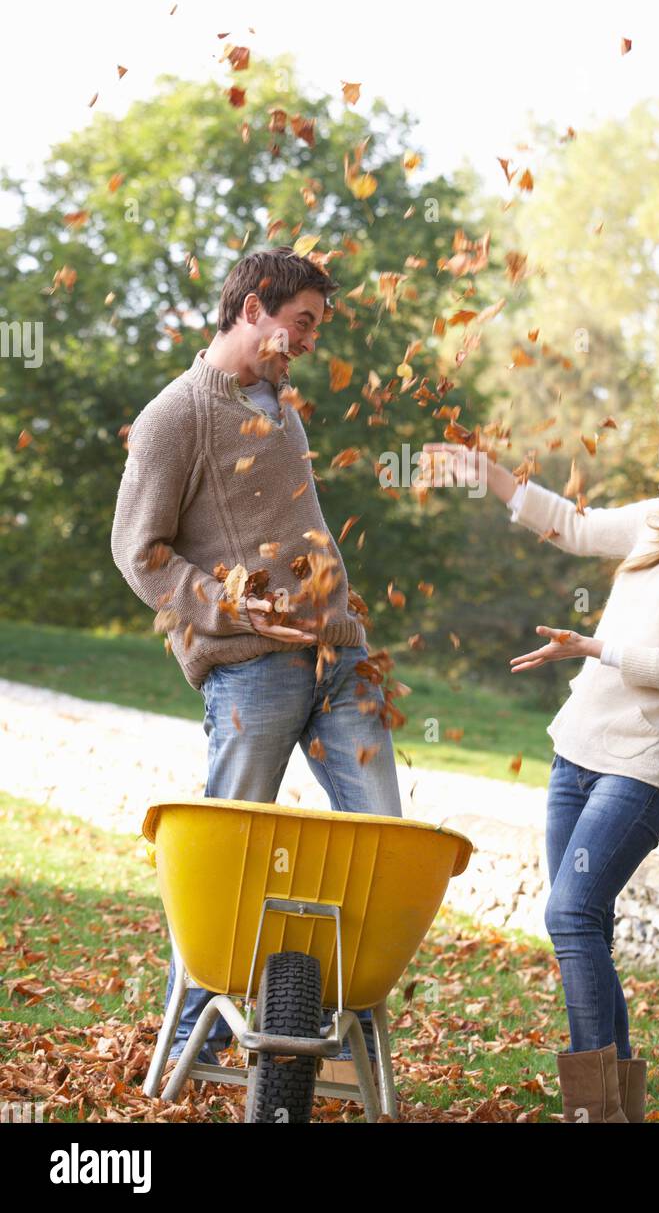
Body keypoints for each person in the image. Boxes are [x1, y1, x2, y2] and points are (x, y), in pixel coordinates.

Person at [422, 420, 659, 1123]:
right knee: (586, 922)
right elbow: (573, 527)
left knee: (568, 912)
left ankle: (591, 1112)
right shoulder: (657, 526)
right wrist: (488, 471)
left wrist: (596, 646)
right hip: (577, 751)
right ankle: (615, 1111)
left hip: (646, 766)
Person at [111, 246, 403, 1085]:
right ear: (252, 310)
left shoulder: (277, 398)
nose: (308, 339)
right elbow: (138, 553)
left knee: (381, 844)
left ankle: (340, 1045)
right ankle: (186, 1047)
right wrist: (226, 606)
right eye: (301, 321)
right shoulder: (175, 417)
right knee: (228, 873)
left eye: (316, 324)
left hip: (341, 660)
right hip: (253, 676)